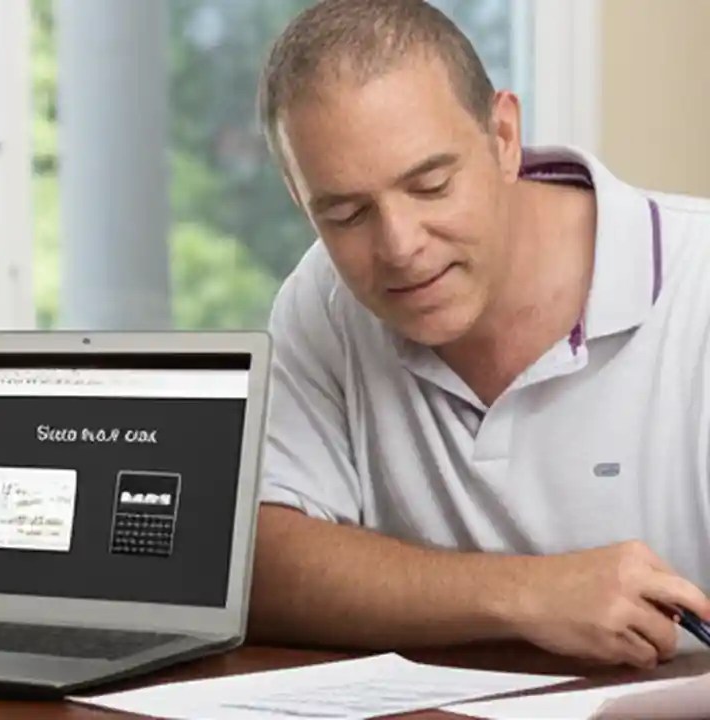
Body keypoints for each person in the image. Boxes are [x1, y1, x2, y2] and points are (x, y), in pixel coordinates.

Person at [248, 0, 710, 669]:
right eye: (346, 214)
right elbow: (260, 562)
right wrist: (524, 594)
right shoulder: (322, 297)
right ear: (301, 201)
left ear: (503, 136)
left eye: (431, 185)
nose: (400, 247)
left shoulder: (698, 283)